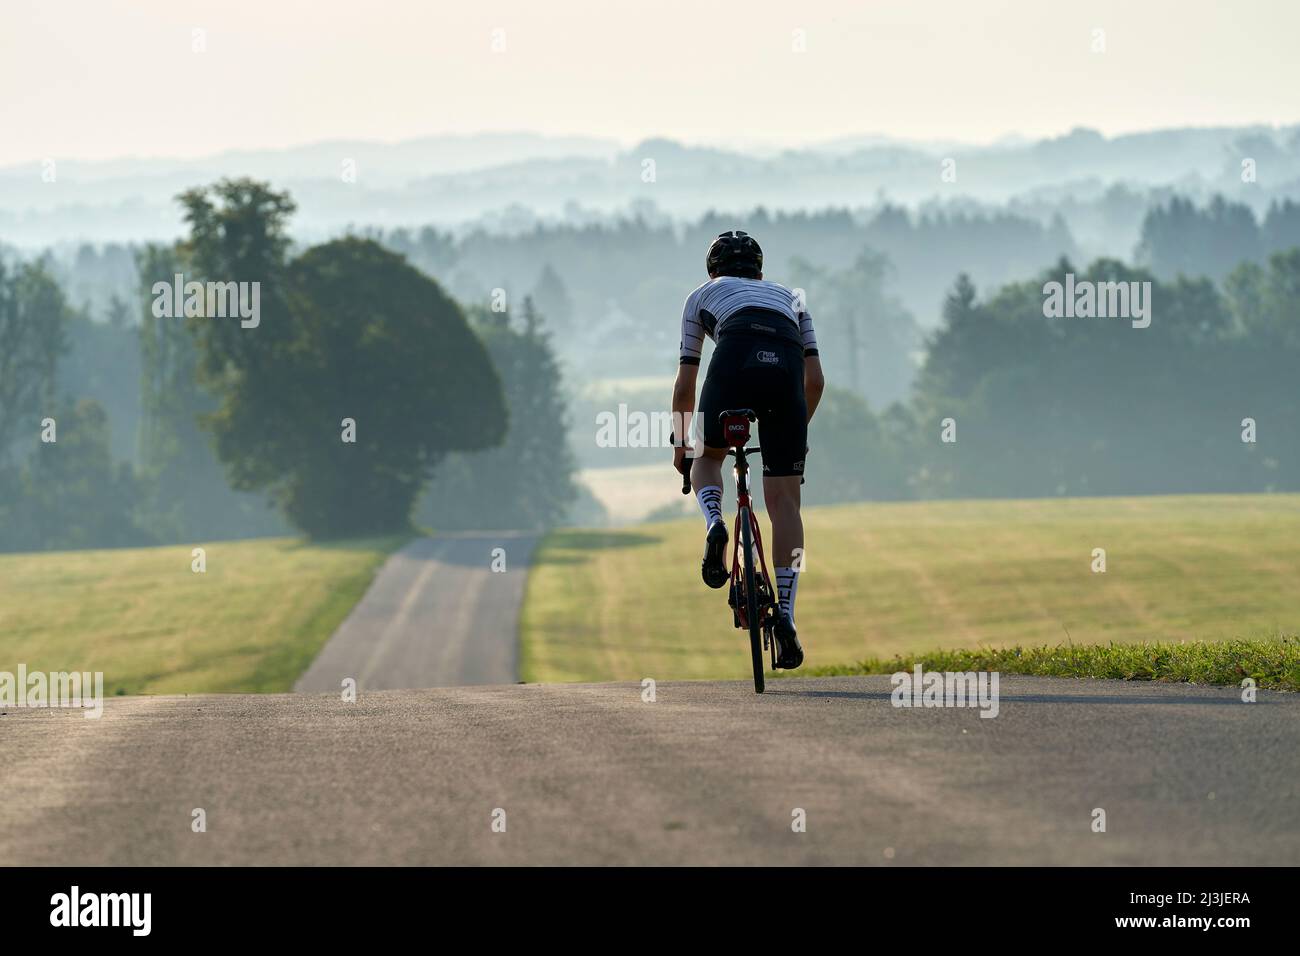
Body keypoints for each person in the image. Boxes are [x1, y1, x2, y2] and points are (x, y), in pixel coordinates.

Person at [670, 230, 825, 669]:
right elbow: (815, 382)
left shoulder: (702, 294)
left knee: (708, 459)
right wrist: (792, 435)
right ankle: (788, 615)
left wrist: (682, 443)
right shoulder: (792, 298)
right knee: (784, 503)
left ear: (712, 271)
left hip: (733, 359)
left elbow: (685, 383)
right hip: (785, 378)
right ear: (760, 271)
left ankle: (715, 522)